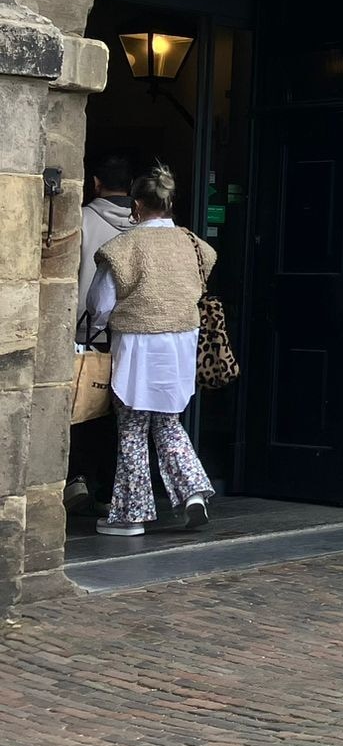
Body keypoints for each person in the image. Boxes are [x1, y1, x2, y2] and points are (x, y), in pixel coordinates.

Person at [90, 164, 218, 540]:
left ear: (137, 205)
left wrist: (97, 328)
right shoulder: (195, 245)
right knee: (168, 420)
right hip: (181, 342)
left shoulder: (121, 248)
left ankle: (131, 514)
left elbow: (100, 303)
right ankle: (192, 491)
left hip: (138, 343)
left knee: (131, 426)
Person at [67, 152, 138, 515]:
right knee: (118, 413)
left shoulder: (80, 219)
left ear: (95, 183)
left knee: (81, 405)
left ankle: (76, 474)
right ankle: (109, 489)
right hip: (132, 335)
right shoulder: (143, 226)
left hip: (86, 332)